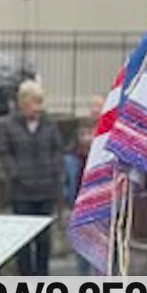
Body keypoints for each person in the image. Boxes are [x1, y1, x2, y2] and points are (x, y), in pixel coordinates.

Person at [0, 80, 64, 276]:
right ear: (23, 103)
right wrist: (15, 172)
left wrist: (53, 170)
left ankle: (42, 278)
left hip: (46, 190)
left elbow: (58, 149)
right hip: (21, 192)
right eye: (35, 102)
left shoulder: (49, 124)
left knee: (44, 240)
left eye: (40, 102)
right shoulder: (9, 125)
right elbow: (3, 152)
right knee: (23, 241)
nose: (38, 108)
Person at [64, 94, 104, 275]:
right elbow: (69, 156)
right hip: (81, 195)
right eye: (92, 106)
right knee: (83, 240)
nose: (95, 110)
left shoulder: (108, 132)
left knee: (101, 244)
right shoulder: (80, 132)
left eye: (98, 106)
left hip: (100, 197)